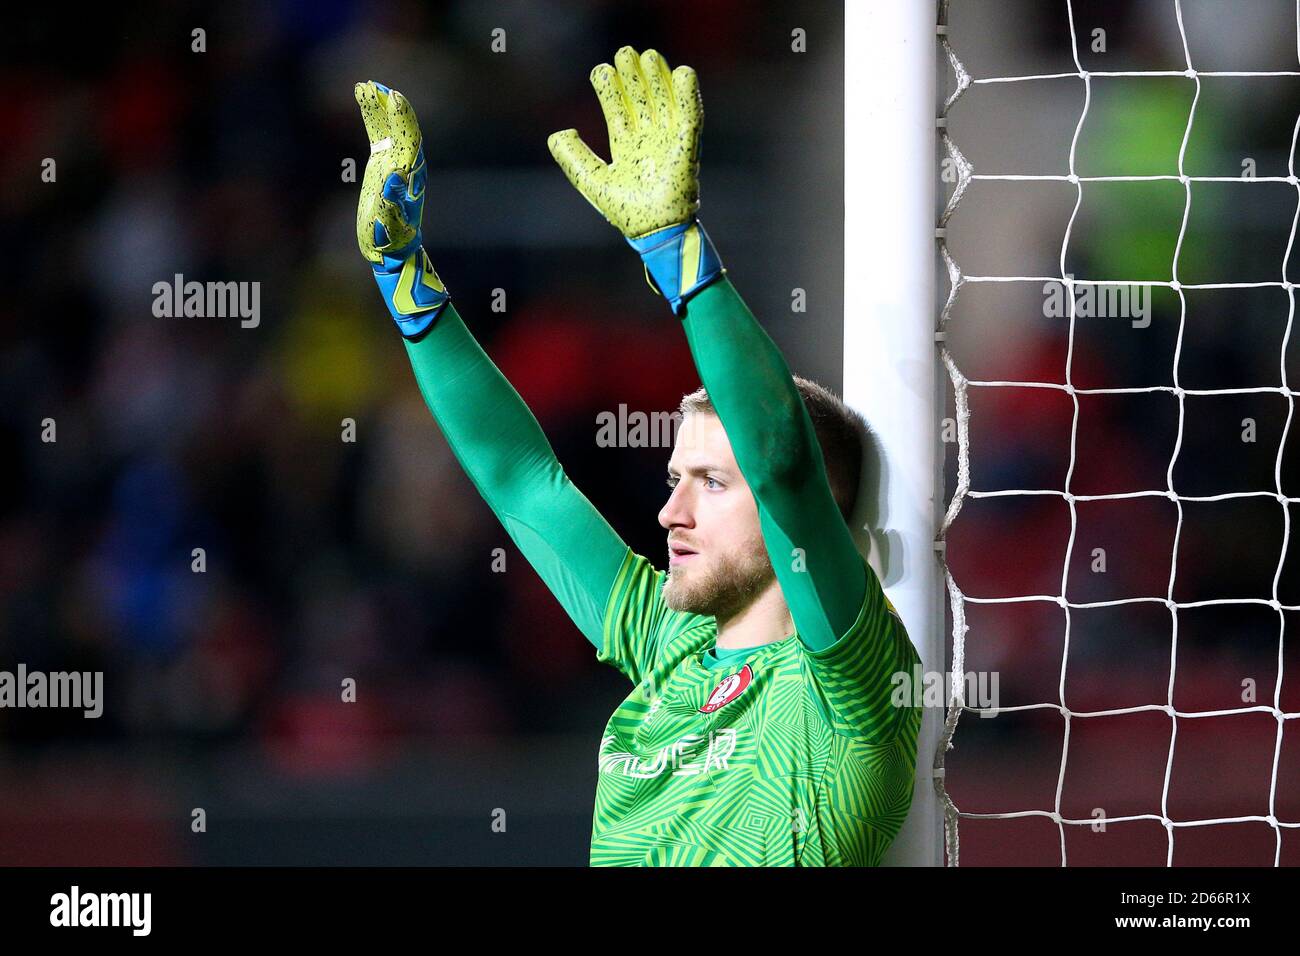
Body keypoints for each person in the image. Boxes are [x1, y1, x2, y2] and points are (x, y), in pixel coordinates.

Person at [352, 46, 922, 866]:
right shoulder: (668, 640)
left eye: (712, 483)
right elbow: (521, 480)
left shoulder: (848, 687)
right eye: (674, 478)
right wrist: (402, 275)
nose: (670, 512)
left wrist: (677, 252)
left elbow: (781, 463)